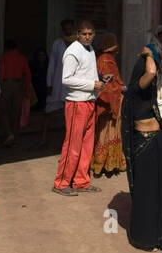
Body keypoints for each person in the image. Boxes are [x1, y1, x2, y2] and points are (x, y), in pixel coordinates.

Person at [122, 42, 162, 250]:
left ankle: (161, 237)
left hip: (157, 142)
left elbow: (154, 73)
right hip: (143, 143)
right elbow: (151, 72)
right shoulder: (135, 88)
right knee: (147, 193)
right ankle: (145, 238)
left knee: (160, 190)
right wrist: (148, 53)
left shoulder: (147, 92)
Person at [53, 21, 99, 195]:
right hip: (76, 103)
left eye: (90, 33)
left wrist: (97, 85)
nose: (87, 37)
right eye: (84, 34)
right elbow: (66, 79)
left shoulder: (90, 50)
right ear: (78, 34)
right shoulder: (72, 51)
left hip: (89, 101)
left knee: (87, 145)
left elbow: (87, 73)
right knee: (72, 144)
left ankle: (81, 181)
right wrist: (91, 84)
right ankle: (61, 183)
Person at [90, 33, 126, 178]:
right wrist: (121, 89)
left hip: (109, 101)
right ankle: (107, 164)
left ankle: (102, 164)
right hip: (109, 102)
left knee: (104, 133)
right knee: (108, 132)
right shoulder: (107, 61)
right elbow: (107, 85)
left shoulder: (101, 60)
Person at [42, 19, 76, 146]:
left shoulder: (78, 44)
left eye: (70, 28)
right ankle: (43, 140)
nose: (68, 31)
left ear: (73, 29)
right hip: (57, 84)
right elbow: (52, 64)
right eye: (65, 29)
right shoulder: (57, 43)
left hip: (72, 85)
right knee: (48, 112)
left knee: (70, 116)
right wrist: (49, 83)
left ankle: (67, 143)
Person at [0, 38, 33, 146]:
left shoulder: (3, 57)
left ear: (6, 48)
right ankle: (15, 136)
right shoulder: (21, 58)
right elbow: (28, 74)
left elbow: (0, 73)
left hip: (5, 84)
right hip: (18, 85)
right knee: (16, 112)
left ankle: (9, 134)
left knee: (3, 111)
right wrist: (26, 89)